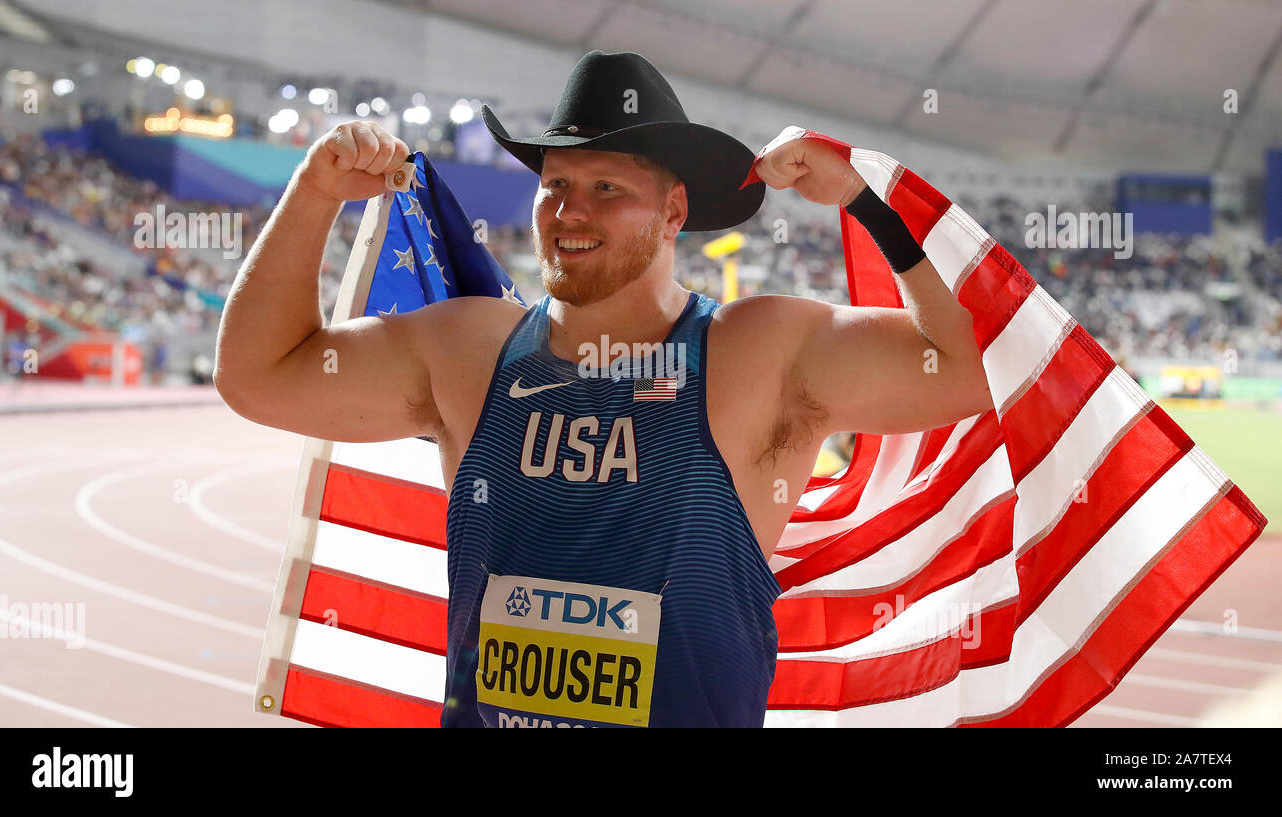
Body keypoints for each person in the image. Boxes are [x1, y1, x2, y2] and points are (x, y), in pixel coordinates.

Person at [215, 51, 994, 727]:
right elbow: (260, 377)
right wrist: (314, 195)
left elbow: (967, 366)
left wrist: (866, 200)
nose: (568, 209)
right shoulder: (470, 350)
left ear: (673, 212)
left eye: (607, 187)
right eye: (554, 182)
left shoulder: (756, 353)